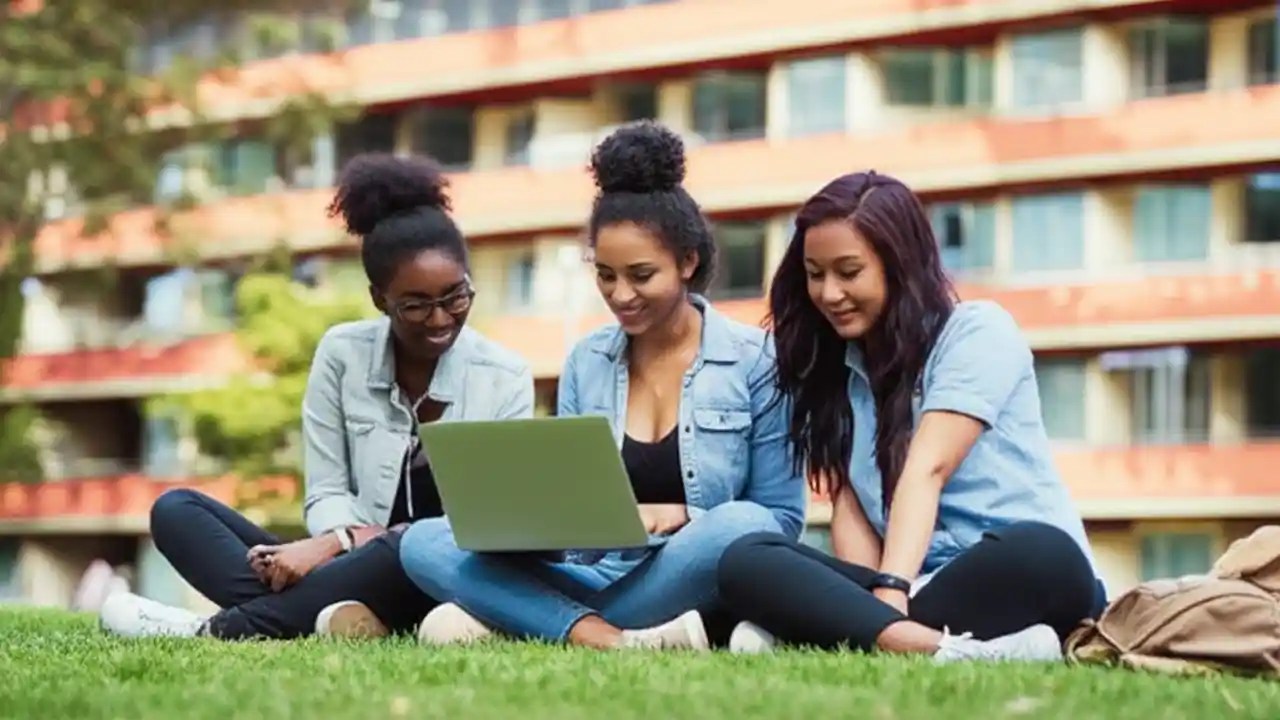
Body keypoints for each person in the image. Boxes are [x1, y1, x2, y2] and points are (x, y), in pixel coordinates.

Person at [396, 120, 806, 651]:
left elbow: (781, 521)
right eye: (605, 274)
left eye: (640, 274)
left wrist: (683, 516)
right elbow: (568, 508)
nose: (621, 294)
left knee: (740, 523)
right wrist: (532, 523)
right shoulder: (586, 361)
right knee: (423, 540)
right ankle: (610, 636)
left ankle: (530, 620)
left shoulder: (757, 361)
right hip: (592, 572)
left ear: (688, 261)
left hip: (689, 571)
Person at [98, 153, 534, 640]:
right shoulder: (342, 354)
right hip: (342, 562)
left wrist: (332, 545)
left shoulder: (505, 376)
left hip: (438, 575)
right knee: (176, 510)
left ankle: (214, 630)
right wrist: (331, 547)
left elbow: (479, 525)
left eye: (456, 297)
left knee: (407, 544)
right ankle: (337, 616)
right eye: (415, 306)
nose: (440, 319)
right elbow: (326, 489)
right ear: (379, 299)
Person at [715, 171, 1106, 661]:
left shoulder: (977, 331)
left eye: (849, 271)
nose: (829, 293)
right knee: (745, 559)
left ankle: (842, 634)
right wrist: (875, 599)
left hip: (1016, 577)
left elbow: (928, 468)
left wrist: (891, 591)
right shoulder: (834, 368)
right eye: (816, 274)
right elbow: (850, 506)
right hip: (913, 593)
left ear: (898, 265)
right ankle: (947, 649)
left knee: (1047, 554)